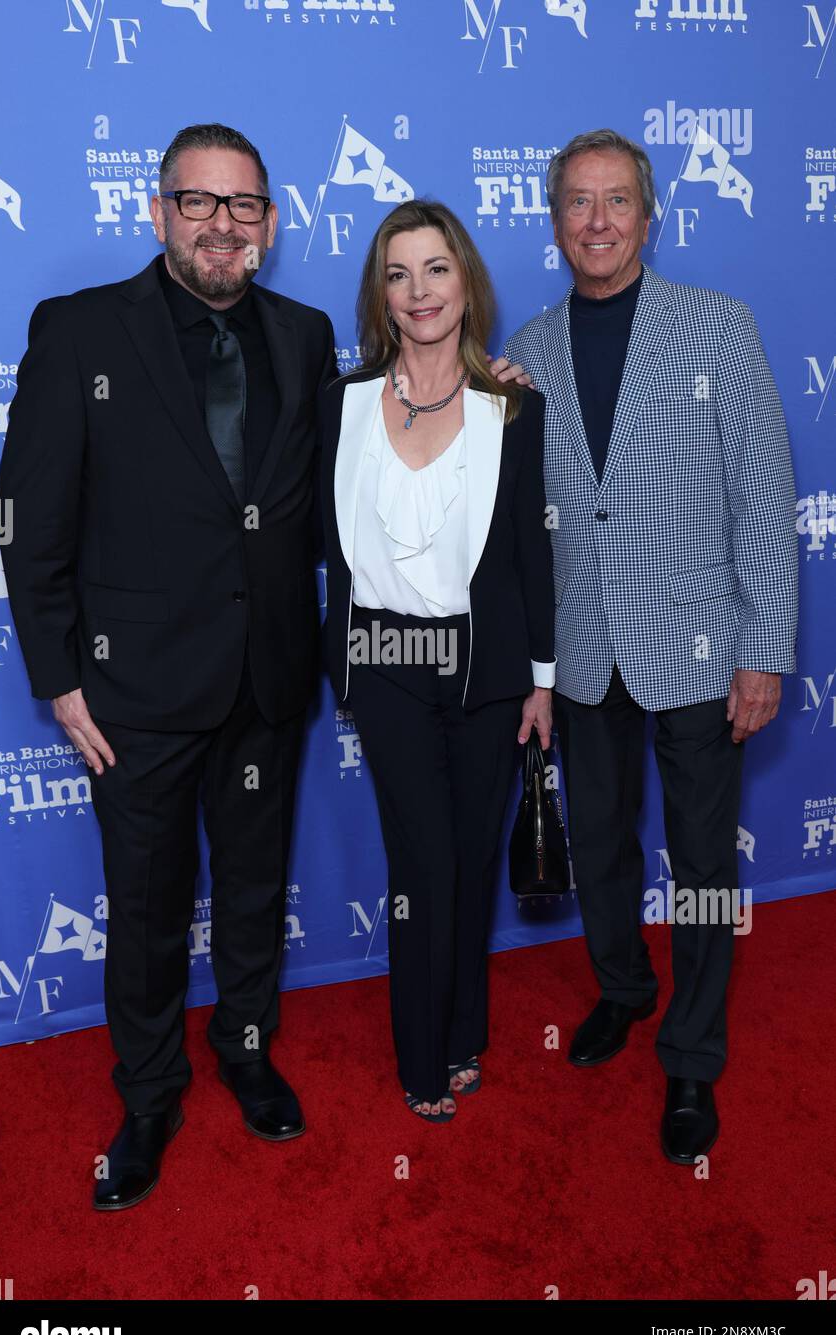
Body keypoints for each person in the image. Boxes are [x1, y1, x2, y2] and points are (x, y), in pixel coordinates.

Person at [0, 126, 529, 1206]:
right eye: (199, 202)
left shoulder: (302, 338)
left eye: (242, 207)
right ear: (158, 214)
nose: (221, 224)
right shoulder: (80, 330)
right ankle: (147, 1097)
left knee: (249, 888)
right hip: (133, 693)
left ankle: (245, 1049)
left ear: (270, 226)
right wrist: (59, 675)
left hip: (266, 680)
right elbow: (31, 517)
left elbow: (388, 447)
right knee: (144, 907)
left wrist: (489, 392)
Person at [504, 129, 798, 1163]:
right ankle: (622, 988)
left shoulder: (716, 327)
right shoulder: (528, 349)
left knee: (706, 862)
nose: (595, 221)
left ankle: (692, 1052)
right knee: (600, 844)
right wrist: (532, 669)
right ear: (553, 222)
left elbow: (762, 501)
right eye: (575, 203)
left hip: (700, 648)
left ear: (648, 214)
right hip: (585, 652)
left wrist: (762, 647)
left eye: (614, 201)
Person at [319, 199, 555, 1121]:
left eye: (436, 269)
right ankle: (424, 1056)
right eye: (398, 273)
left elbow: (534, 555)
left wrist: (540, 681)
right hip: (385, 660)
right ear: (381, 293)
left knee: (468, 856)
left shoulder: (512, 404)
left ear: (466, 282)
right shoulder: (342, 405)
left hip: (487, 668)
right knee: (421, 862)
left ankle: (465, 1033)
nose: (420, 291)